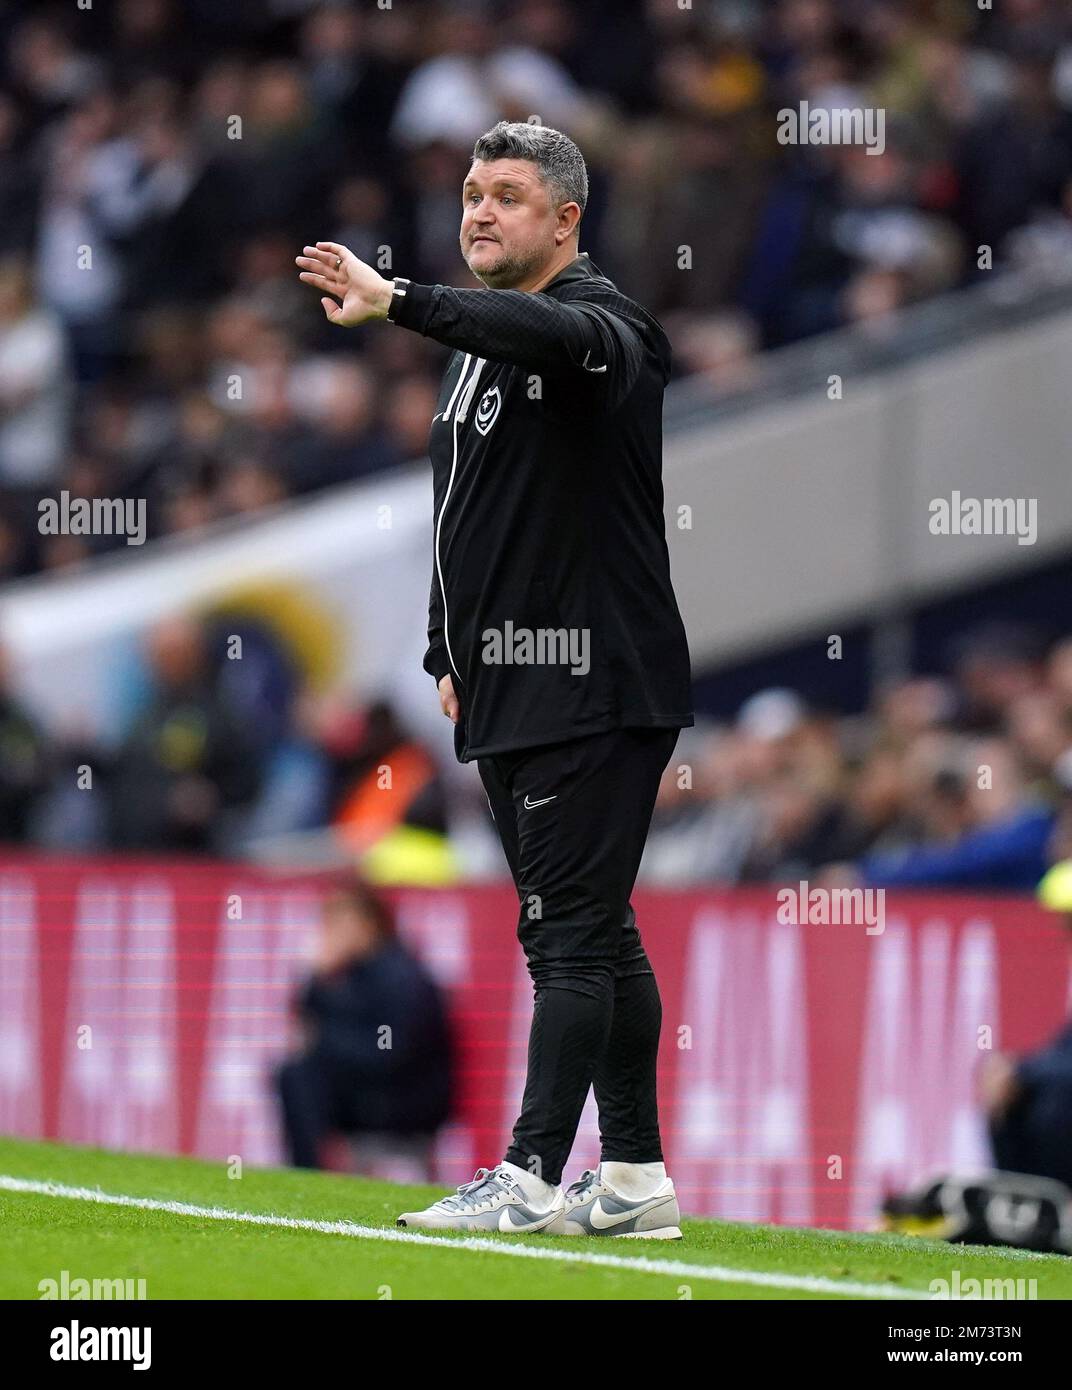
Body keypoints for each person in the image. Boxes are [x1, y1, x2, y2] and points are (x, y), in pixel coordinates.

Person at [296, 120, 693, 1238]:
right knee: (591, 929)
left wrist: (402, 300)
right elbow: (465, 522)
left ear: (566, 220)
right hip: (512, 683)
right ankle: (632, 1178)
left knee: (566, 930)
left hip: (593, 676)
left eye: (508, 196)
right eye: (471, 192)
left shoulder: (608, 334)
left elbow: (540, 330)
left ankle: (525, 1170)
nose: (479, 211)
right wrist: (443, 649)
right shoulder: (480, 353)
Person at [275, 875, 453, 1171]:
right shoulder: (351, 974)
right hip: (371, 1090)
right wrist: (316, 978)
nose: (332, 934)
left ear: (369, 924)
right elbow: (311, 1021)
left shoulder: (401, 977)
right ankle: (304, 1174)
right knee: (296, 1073)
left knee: (301, 1077)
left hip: (406, 1099)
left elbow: (389, 1054)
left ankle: (307, 1177)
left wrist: (323, 1042)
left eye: (341, 924)